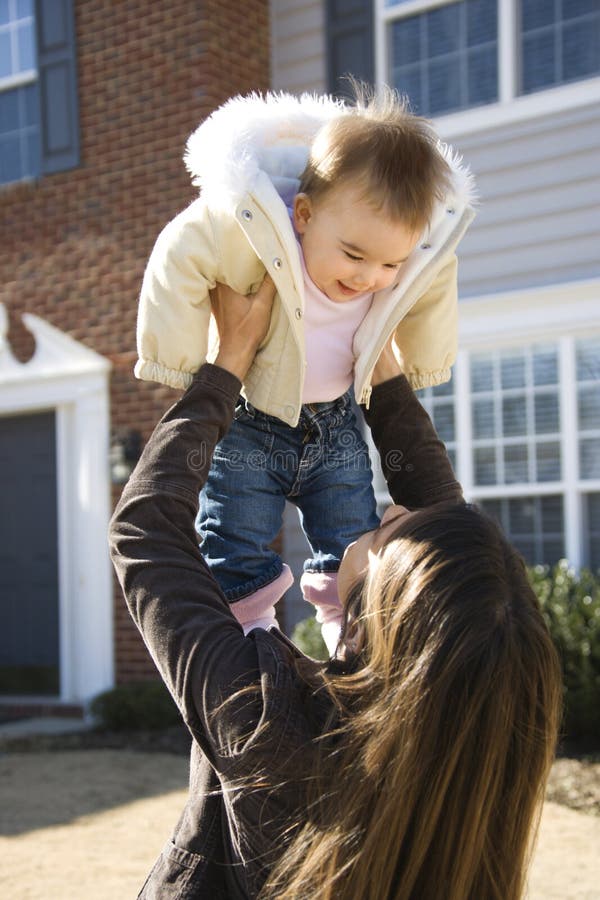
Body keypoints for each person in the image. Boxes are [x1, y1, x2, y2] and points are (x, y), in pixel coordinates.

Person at [110, 278, 562, 900]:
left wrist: (227, 367)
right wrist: (380, 370)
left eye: (397, 534)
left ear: (377, 612)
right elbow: (449, 578)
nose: (397, 512)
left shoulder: (265, 722)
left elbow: (146, 531)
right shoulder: (478, 768)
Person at [134, 85, 476, 649]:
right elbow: (181, 250)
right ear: (305, 213)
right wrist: (175, 359)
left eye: (390, 262)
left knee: (351, 545)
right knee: (235, 540)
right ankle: (251, 642)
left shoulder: (396, 263)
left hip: (336, 425)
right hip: (251, 421)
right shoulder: (259, 230)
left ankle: (352, 644)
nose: (369, 277)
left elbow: (435, 281)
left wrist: (424, 362)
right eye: (354, 255)